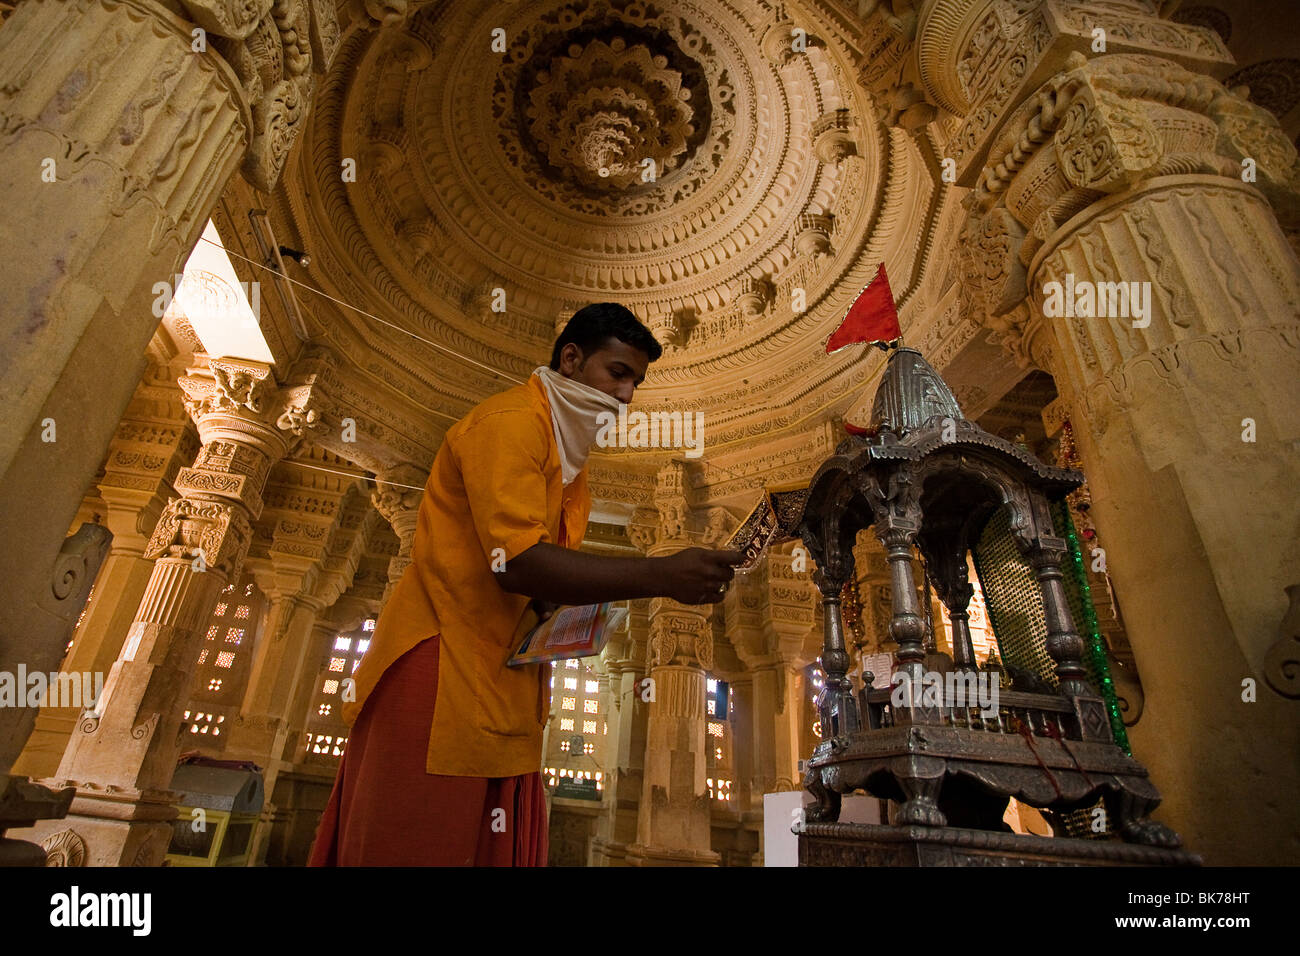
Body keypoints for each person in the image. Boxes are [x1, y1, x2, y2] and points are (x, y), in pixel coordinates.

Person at [308, 302, 744, 866]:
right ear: (571, 358)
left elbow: (536, 580)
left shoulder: (569, 464)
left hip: (500, 679)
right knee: (415, 841)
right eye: (618, 373)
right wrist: (662, 573)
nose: (627, 396)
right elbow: (514, 562)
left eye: (636, 381)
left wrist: (565, 615)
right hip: (439, 671)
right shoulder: (510, 422)